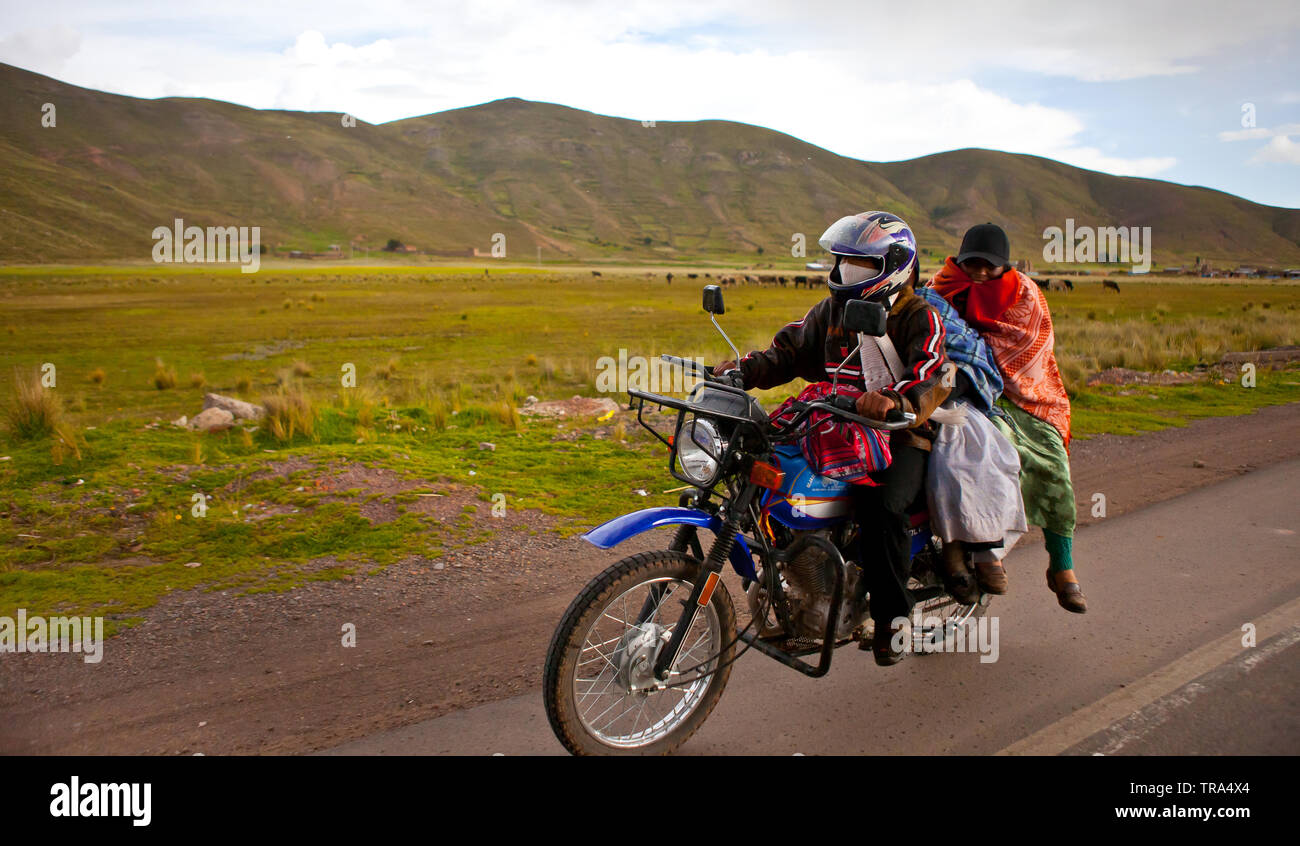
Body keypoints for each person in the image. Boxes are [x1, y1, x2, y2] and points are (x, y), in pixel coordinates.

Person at [714, 211, 951, 664]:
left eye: (859, 266)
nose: (845, 275)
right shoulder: (832, 311)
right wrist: (739, 372)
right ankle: (801, 575)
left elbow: (932, 375)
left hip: (901, 437)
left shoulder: (919, 316)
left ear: (894, 267)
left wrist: (895, 401)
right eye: (842, 263)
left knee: (881, 507)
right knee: (768, 467)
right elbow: (787, 352)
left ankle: (892, 622)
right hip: (835, 424)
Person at [928, 223, 1086, 613]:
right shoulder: (940, 288)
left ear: (1005, 266)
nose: (980, 273)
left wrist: (971, 352)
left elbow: (1028, 347)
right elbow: (931, 332)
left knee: (1051, 462)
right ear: (959, 262)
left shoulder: (1025, 295)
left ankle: (1062, 566)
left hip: (1026, 395)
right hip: (962, 388)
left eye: (989, 266)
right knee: (979, 449)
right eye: (973, 265)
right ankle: (983, 549)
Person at [914, 286, 1027, 602]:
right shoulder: (849, 306)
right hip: (884, 402)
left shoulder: (927, 305)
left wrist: (939, 392)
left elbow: (966, 357)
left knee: (961, 455)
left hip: (944, 397)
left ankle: (976, 549)